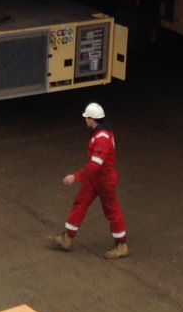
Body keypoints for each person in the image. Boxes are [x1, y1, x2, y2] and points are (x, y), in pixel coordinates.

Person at [51, 102, 128, 259]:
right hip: (96, 179)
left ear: (92, 119)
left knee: (111, 210)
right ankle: (68, 237)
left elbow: (95, 164)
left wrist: (76, 177)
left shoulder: (101, 139)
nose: (85, 120)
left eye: (87, 118)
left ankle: (122, 244)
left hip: (104, 180)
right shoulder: (102, 133)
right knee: (80, 203)